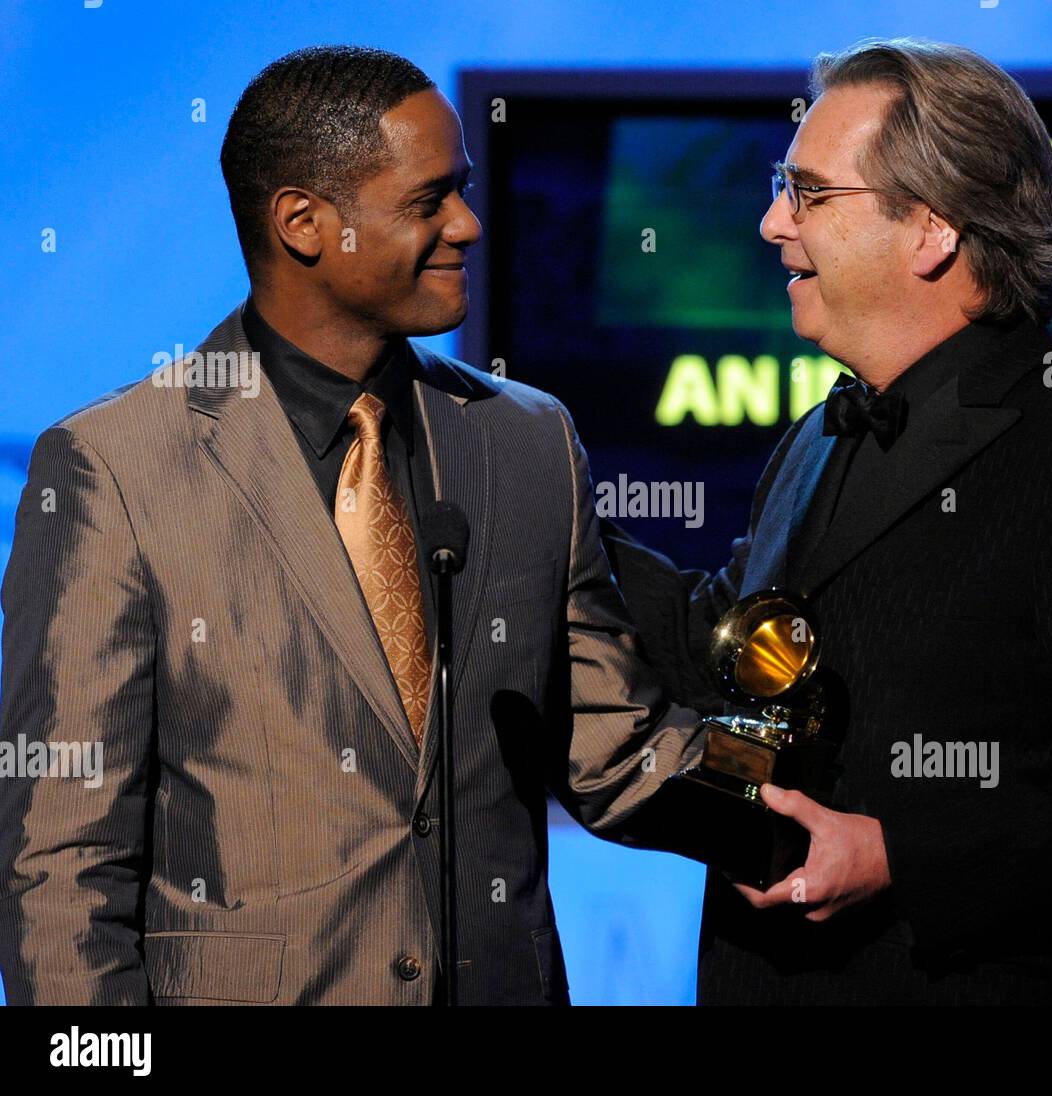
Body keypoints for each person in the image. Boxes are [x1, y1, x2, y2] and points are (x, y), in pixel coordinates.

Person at [0, 45, 702, 1006]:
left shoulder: (528, 441)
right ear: (303, 224)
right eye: (429, 201)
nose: (469, 223)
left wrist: (828, 822)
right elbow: (61, 863)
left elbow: (612, 746)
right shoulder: (114, 467)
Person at [603, 37, 1052, 1005]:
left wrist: (902, 852)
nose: (770, 221)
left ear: (932, 231)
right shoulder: (813, 438)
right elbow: (727, 639)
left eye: (809, 193)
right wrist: (544, 507)